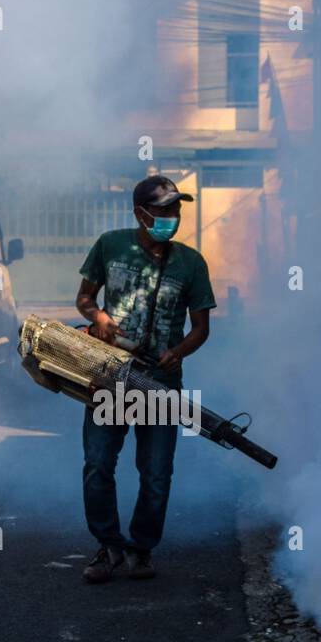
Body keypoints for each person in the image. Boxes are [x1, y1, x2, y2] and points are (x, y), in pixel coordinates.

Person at [74, 175, 215, 583]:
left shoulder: (191, 263)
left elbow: (201, 329)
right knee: (98, 464)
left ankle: (142, 548)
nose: (174, 216)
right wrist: (97, 317)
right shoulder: (110, 245)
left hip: (160, 384)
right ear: (141, 213)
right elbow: (84, 298)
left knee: (156, 472)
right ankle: (108, 547)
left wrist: (179, 352)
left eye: (177, 209)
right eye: (165, 210)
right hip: (110, 377)